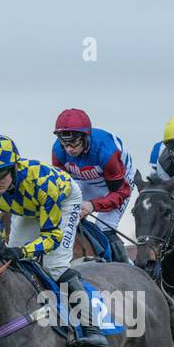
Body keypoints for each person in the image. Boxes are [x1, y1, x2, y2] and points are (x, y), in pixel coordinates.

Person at [0, 134, 108, 347]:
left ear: (14, 167)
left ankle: (92, 328)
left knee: (55, 266)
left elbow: (52, 237)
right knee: (10, 263)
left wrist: (24, 250)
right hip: (25, 207)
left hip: (63, 200)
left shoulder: (42, 184)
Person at [51, 108, 133, 262]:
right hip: (84, 181)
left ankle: (128, 268)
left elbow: (120, 193)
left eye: (74, 143)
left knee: (105, 226)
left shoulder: (106, 152)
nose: (69, 149)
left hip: (117, 184)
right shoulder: (58, 151)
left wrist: (92, 205)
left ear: (85, 137)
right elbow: (61, 188)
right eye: (64, 143)